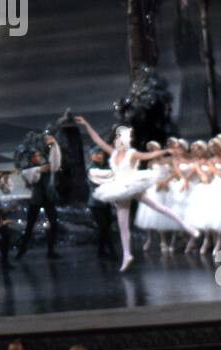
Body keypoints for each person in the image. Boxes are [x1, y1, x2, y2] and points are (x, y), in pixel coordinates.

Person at [76, 116, 194, 272]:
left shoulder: (132, 153)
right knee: (123, 224)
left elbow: (148, 156)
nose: (119, 140)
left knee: (158, 207)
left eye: (122, 137)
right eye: (118, 137)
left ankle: (186, 226)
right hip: (120, 188)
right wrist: (86, 124)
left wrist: (166, 151)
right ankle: (127, 255)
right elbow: (98, 140)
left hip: (132, 184)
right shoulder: (113, 153)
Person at [17, 133, 63, 258]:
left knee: (54, 223)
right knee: (30, 225)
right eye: (35, 156)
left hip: (48, 198)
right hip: (36, 199)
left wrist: (54, 145)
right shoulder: (29, 168)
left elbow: (55, 163)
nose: (38, 157)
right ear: (31, 158)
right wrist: (39, 169)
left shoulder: (45, 166)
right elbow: (29, 176)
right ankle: (22, 249)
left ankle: (51, 250)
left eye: (38, 155)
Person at [84, 147, 117, 259]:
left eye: (101, 154)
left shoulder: (105, 167)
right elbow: (107, 177)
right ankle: (111, 251)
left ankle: (101, 250)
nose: (99, 155)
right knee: (103, 227)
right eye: (96, 154)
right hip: (95, 203)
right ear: (91, 156)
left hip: (105, 203)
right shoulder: (91, 169)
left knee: (106, 227)